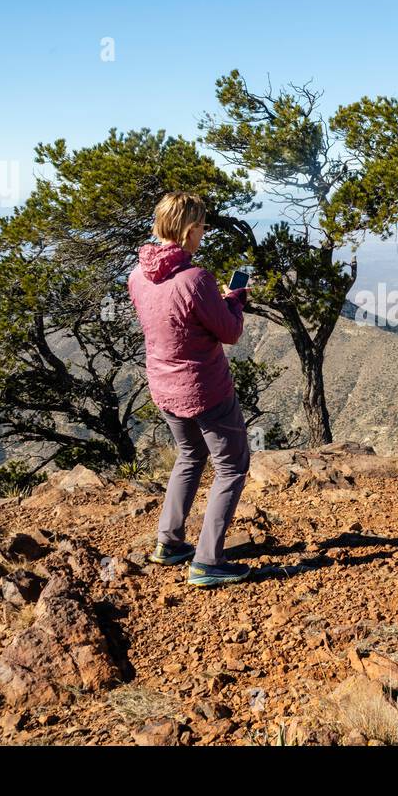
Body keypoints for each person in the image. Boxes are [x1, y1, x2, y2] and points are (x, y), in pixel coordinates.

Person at [126, 190, 252, 587]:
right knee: (231, 466)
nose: (202, 236)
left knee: (189, 454)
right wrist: (235, 299)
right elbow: (229, 333)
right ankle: (208, 560)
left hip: (163, 387)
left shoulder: (136, 276)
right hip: (205, 390)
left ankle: (169, 542)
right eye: (199, 228)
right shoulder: (195, 279)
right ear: (187, 230)